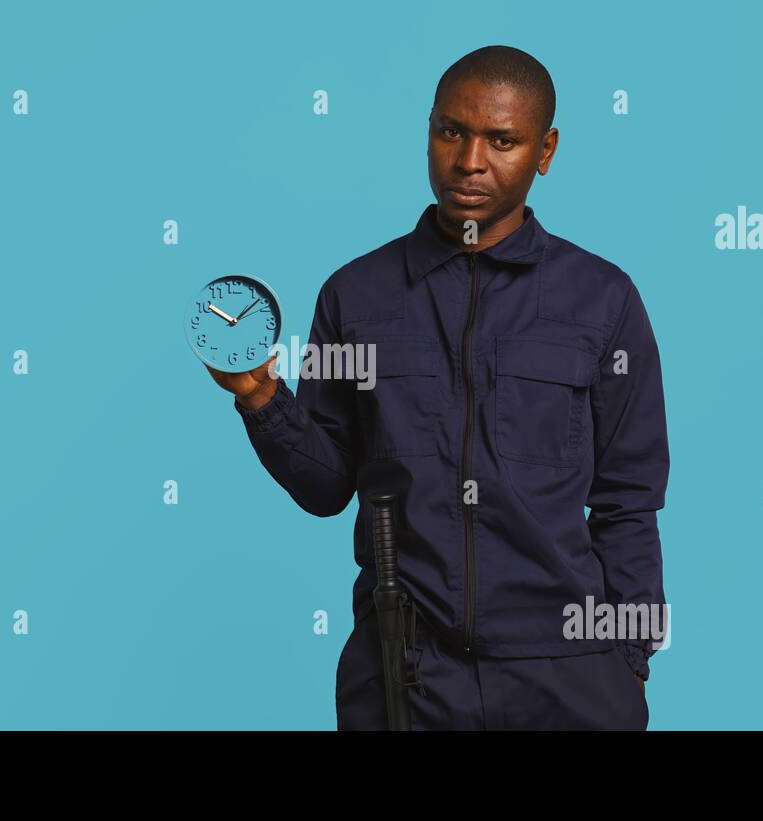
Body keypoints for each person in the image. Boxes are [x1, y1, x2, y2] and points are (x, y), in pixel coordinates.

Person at [206, 45, 669, 730]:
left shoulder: (603, 300)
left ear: (545, 151)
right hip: (407, 674)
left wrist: (628, 662)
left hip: (568, 673)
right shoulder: (356, 295)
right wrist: (261, 399)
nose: (470, 161)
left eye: (502, 140)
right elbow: (328, 485)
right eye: (451, 131)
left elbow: (629, 500)